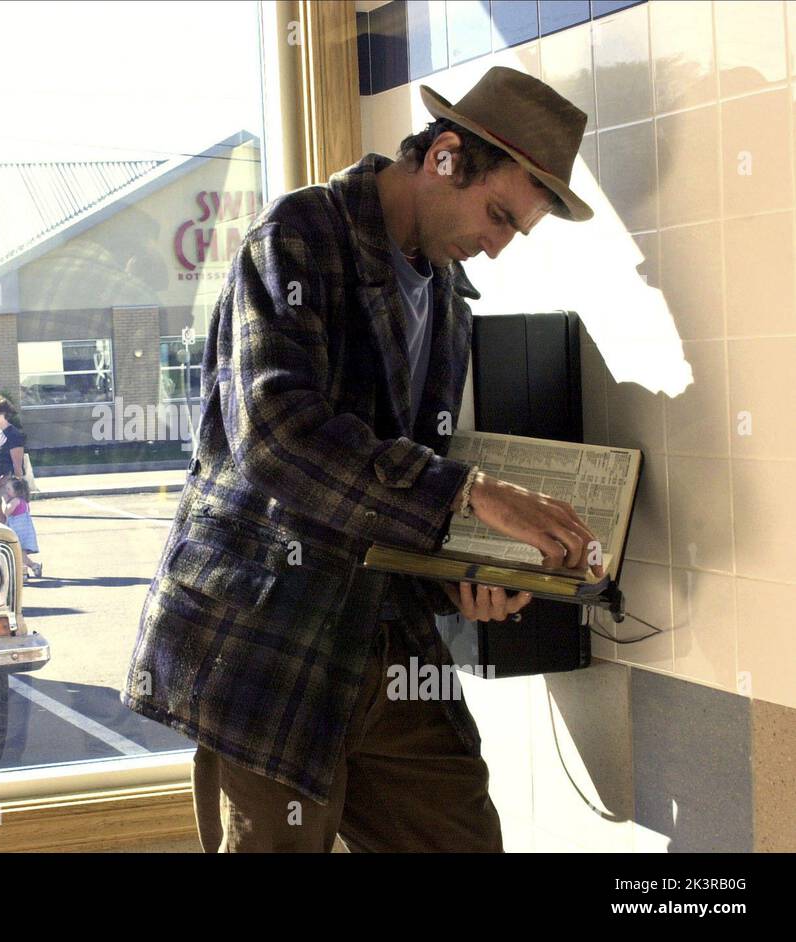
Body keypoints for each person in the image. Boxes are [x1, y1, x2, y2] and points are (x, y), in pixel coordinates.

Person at [123, 67, 605, 853]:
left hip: (389, 641)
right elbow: (276, 436)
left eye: (515, 230)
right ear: (445, 155)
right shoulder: (296, 236)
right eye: (497, 215)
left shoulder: (447, 300)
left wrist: (462, 570)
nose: (497, 246)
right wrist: (470, 495)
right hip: (271, 637)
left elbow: (400, 480)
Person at [0, 394, 26, 525]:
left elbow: (17, 468)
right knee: (0, 523)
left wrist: (8, 486)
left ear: (2, 413)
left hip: (7, 488)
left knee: (10, 523)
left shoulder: (13, 435)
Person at [0, 477, 41, 579]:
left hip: (19, 531)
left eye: (8, 489)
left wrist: (4, 500)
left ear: (16, 491)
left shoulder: (16, 501)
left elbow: (6, 512)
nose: (6, 491)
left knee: (18, 552)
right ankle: (32, 567)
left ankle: (29, 568)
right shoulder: (23, 501)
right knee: (19, 553)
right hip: (24, 530)